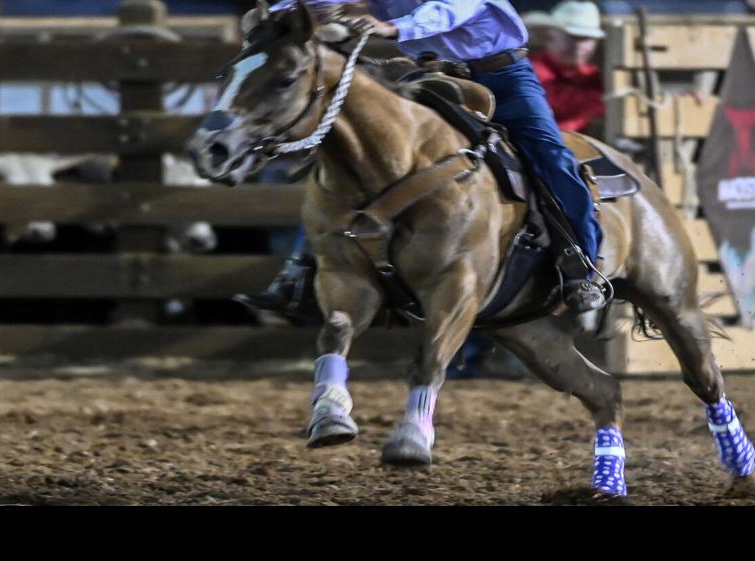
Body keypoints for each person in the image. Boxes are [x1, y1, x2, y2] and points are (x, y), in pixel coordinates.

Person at [239, 0, 607, 324]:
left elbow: (451, 8)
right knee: (354, 156)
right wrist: (276, 14)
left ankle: (583, 264)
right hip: (431, 75)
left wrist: (394, 26)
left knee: (550, 154)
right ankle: (303, 271)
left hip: (501, 75)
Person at [525, 2, 605, 136]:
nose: (580, 47)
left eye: (587, 39)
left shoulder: (592, 75)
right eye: (572, 38)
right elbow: (562, 103)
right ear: (550, 37)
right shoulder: (532, 71)